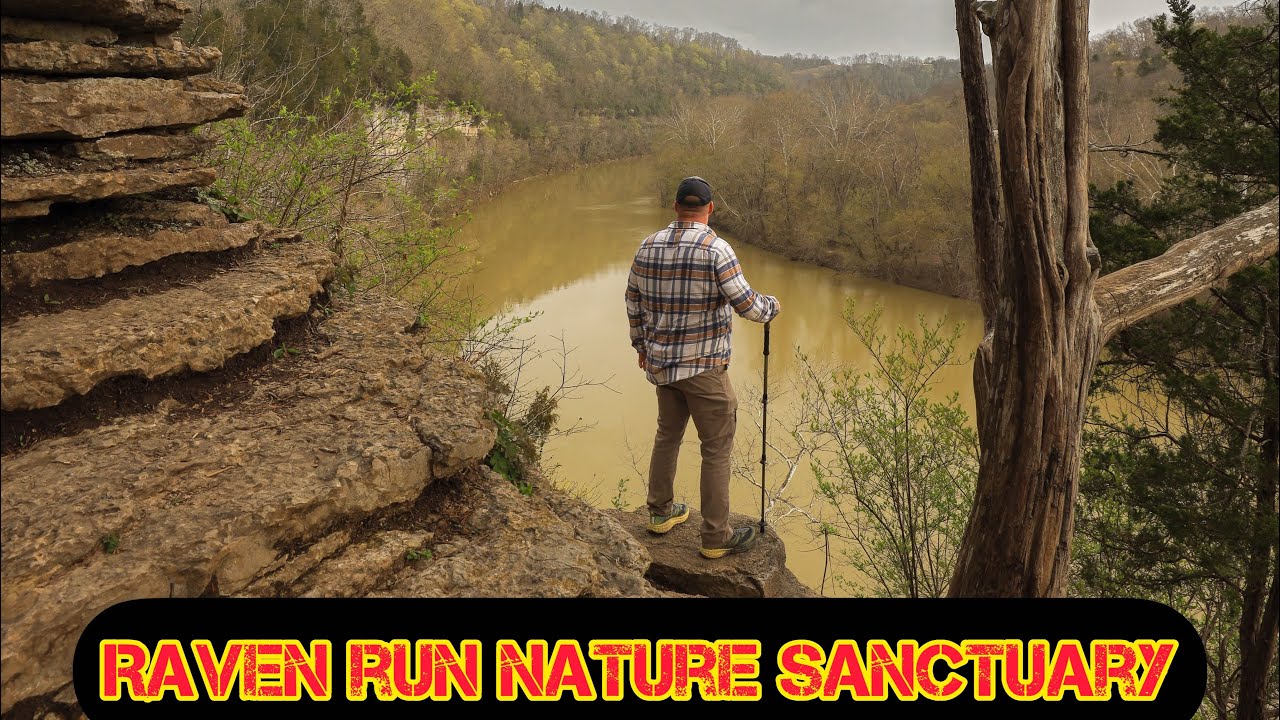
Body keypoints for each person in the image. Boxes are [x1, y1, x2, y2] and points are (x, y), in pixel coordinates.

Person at [624, 176, 781, 559]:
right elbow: (749, 306)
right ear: (710, 209)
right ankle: (715, 537)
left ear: (676, 206)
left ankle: (660, 513)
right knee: (716, 450)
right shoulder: (717, 248)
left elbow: (632, 300)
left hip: (663, 365)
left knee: (667, 436)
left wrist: (642, 345)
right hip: (705, 369)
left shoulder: (648, 246)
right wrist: (773, 305)